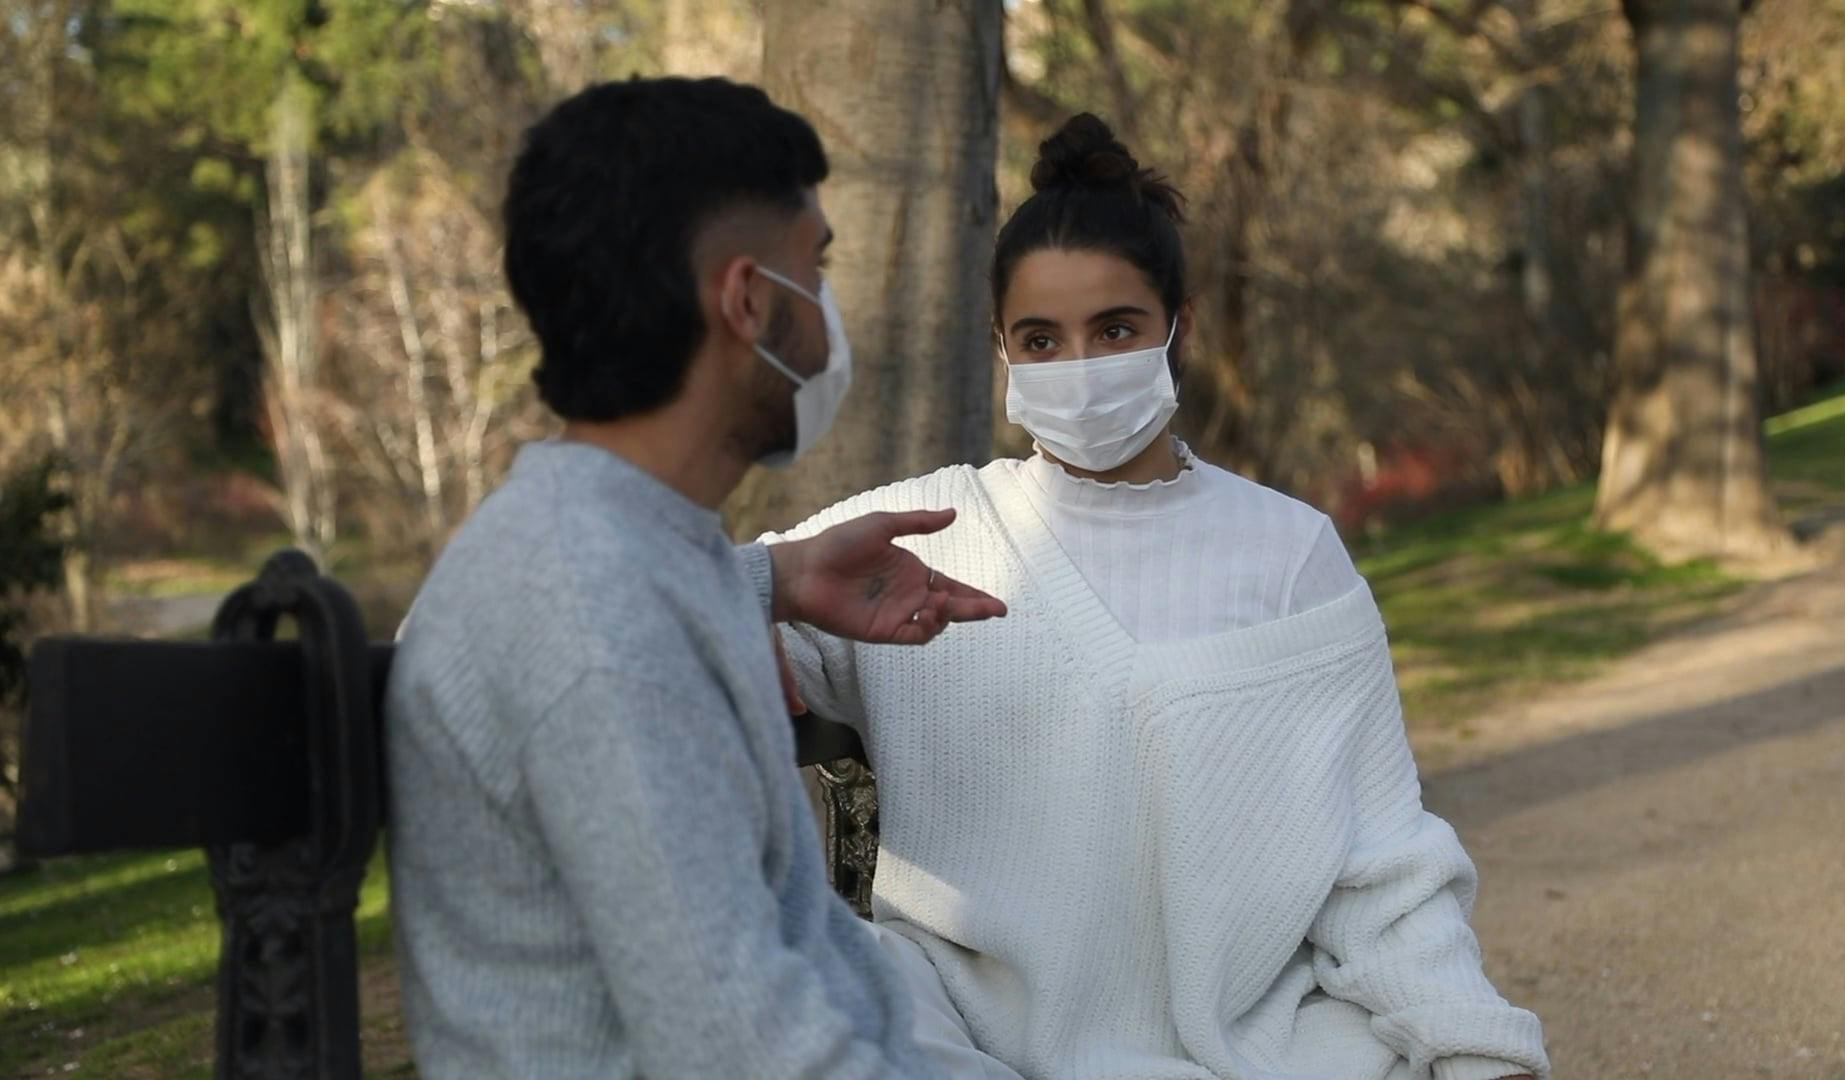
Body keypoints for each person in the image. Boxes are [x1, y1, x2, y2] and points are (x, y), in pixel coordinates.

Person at [772, 114, 1553, 1080]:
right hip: (961, 1037)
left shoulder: (1288, 551)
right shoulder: (916, 531)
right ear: (1001, 346)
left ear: (1178, 324)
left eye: (1115, 330)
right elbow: (663, 631)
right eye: (1041, 339)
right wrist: (765, 591)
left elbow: (1381, 862)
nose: (1080, 370)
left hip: (1251, 1043)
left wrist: (1472, 1046)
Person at [383, 76, 1020, 1078]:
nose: (830, 313)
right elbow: (741, 1049)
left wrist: (775, 577)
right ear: (749, 300)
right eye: (818, 265)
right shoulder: (595, 621)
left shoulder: (615, 552)